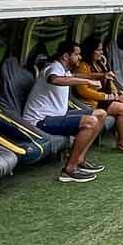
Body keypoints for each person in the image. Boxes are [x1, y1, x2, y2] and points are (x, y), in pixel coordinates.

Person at [21, 37, 109, 182]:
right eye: (77, 54)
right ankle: (69, 170)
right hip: (40, 121)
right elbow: (55, 80)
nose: (80, 57)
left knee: (101, 114)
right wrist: (87, 81)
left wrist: (102, 75)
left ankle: (79, 160)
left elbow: (77, 75)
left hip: (57, 116)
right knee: (91, 122)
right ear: (66, 56)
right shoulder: (53, 68)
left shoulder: (65, 70)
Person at [76, 35, 123, 135]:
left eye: (101, 50)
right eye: (98, 50)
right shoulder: (82, 66)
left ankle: (121, 132)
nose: (101, 53)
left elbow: (109, 81)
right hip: (97, 100)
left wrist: (114, 91)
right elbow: (83, 91)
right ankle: (122, 141)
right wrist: (105, 96)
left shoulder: (100, 63)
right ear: (90, 50)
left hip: (107, 97)